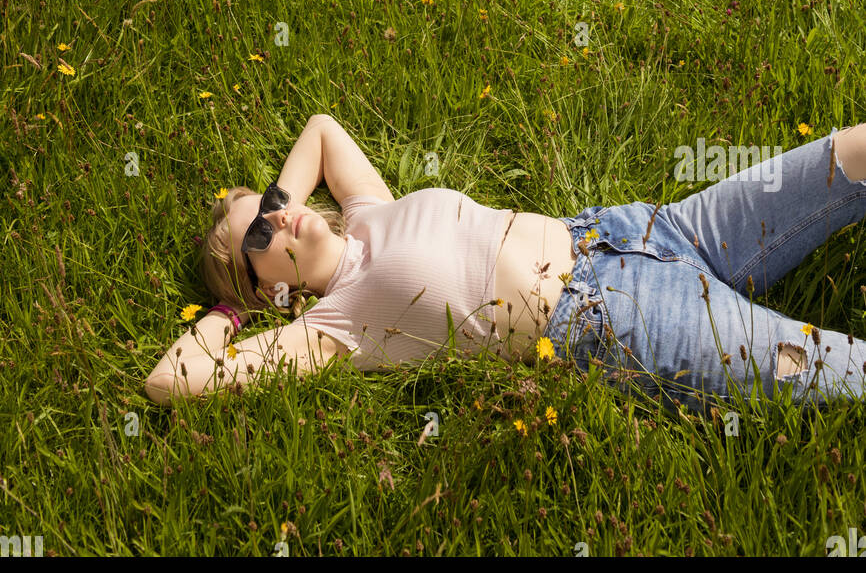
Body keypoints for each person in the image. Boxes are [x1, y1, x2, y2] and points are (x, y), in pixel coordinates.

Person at [144, 115, 866, 410]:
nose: (277, 216)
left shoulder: (367, 213)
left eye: (270, 201)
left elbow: (322, 130)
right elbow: (171, 384)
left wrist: (271, 206)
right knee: (841, 367)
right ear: (270, 293)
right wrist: (229, 314)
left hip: (638, 230)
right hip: (617, 322)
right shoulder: (331, 327)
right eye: (259, 239)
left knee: (852, 154)